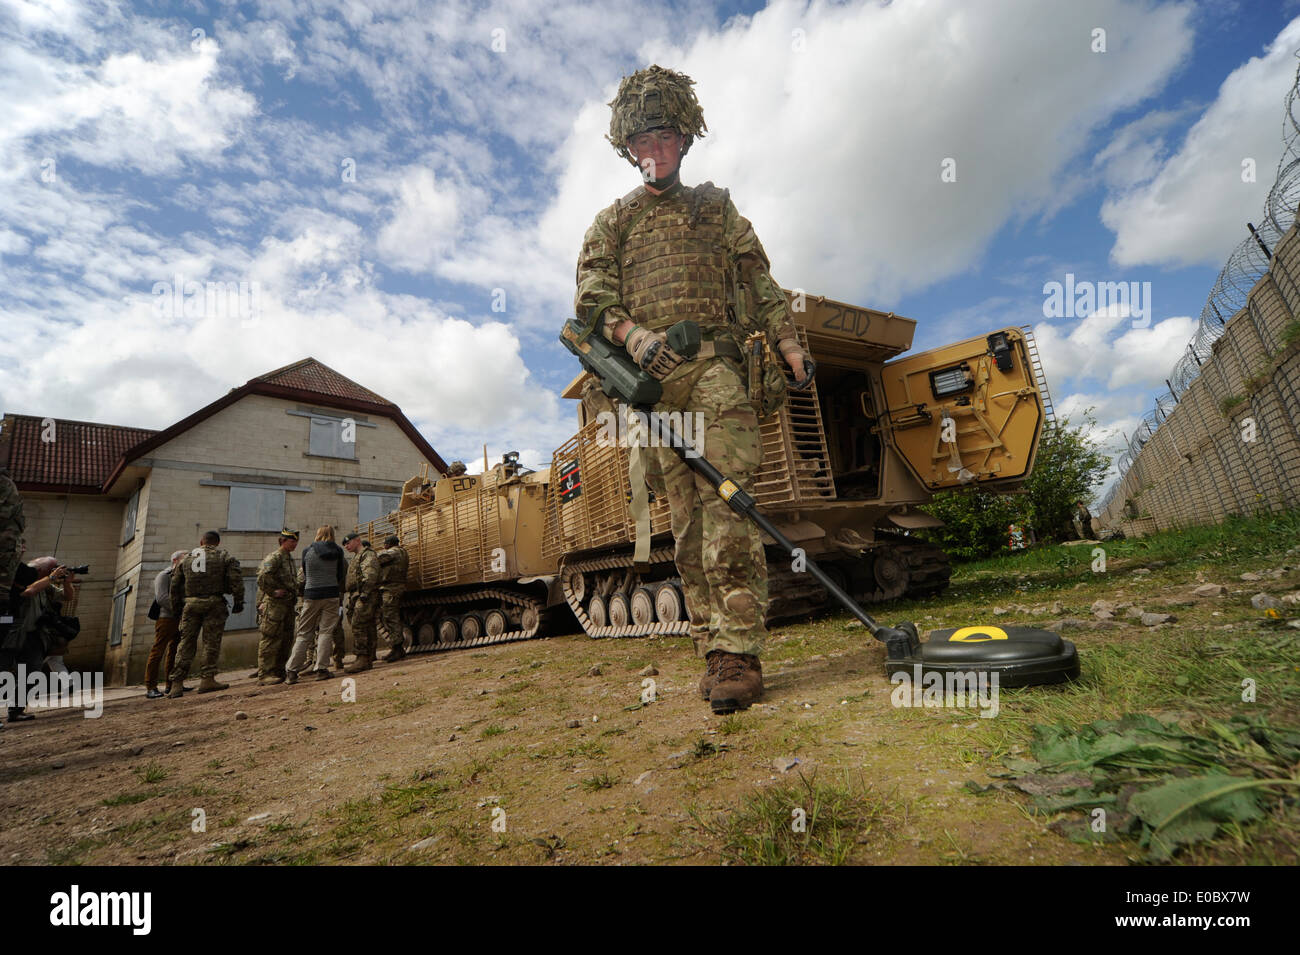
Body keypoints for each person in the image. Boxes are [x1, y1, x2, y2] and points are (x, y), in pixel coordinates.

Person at [573, 65, 812, 714]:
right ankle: (713, 647)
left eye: (666, 138)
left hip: (714, 372)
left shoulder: (716, 209)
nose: (655, 151)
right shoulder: (610, 224)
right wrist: (632, 334)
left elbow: (758, 281)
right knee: (684, 524)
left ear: (686, 140)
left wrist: (789, 344)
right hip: (651, 387)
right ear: (628, 150)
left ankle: (740, 650)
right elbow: (591, 300)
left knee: (727, 503)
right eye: (642, 141)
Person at [167, 530, 243, 698]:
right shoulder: (223, 556)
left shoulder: (186, 559)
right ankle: (207, 679)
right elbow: (236, 581)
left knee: (185, 644)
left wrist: (177, 608)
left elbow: (175, 586)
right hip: (214, 603)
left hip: (190, 604)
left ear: (201, 542)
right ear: (217, 543)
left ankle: (177, 684)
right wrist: (238, 602)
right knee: (211, 643)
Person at [2, 557, 74, 723]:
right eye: (50, 570)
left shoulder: (46, 586)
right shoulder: (21, 579)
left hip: (33, 636)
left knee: (31, 674)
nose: (54, 572)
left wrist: (67, 582)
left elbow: (67, 597)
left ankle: (16, 710)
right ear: (41, 571)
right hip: (10, 635)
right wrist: (51, 578)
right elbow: (28, 591)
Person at [286, 525, 346, 682]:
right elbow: (340, 574)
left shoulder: (307, 551)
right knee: (326, 632)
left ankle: (292, 671)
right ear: (332, 535)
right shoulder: (338, 551)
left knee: (304, 633)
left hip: (311, 595)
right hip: (332, 594)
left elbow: (305, 573)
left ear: (317, 534)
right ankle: (321, 669)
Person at [255, 528, 299, 685]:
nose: (294, 544)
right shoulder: (275, 557)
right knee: (271, 638)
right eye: (292, 541)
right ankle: (265, 673)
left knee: (286, 638)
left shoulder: (289, 558)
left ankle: (279, 670)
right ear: (282, 541)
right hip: (274, 606)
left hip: (287, 605)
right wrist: (273, 592)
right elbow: (262, 577)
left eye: (295, 542)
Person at [144, 550, 188, 698]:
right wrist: (180, 610)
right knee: (158, 651)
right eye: (185, 559)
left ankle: (172, 684)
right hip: (166, 618)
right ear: (175, 561)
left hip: (179, 618)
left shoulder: (184, 577)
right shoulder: (164, 576)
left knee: (175, 652)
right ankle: (151, 686)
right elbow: (162, 598)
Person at [341, 532, 379, 673]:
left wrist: (364, 594)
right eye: (344, 544)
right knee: (364, 625)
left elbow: (370, 575)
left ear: (357, 540)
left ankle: (362, 657)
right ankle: (366, 659)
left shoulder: (367, 554)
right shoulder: (358, 556)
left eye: (348, 542)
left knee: (359, 624)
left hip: (364, 595)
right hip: (357, 595)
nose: (346, 546)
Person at [376, 534, 409, 662]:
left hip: (392, 588)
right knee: (390, 616)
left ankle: (398, 648)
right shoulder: (401, 552)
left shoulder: (395, 552)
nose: (384, 546)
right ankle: (396, 648)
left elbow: (380, 558)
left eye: (385, 544)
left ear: (389, 544)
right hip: (394, 587)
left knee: (391, 617)